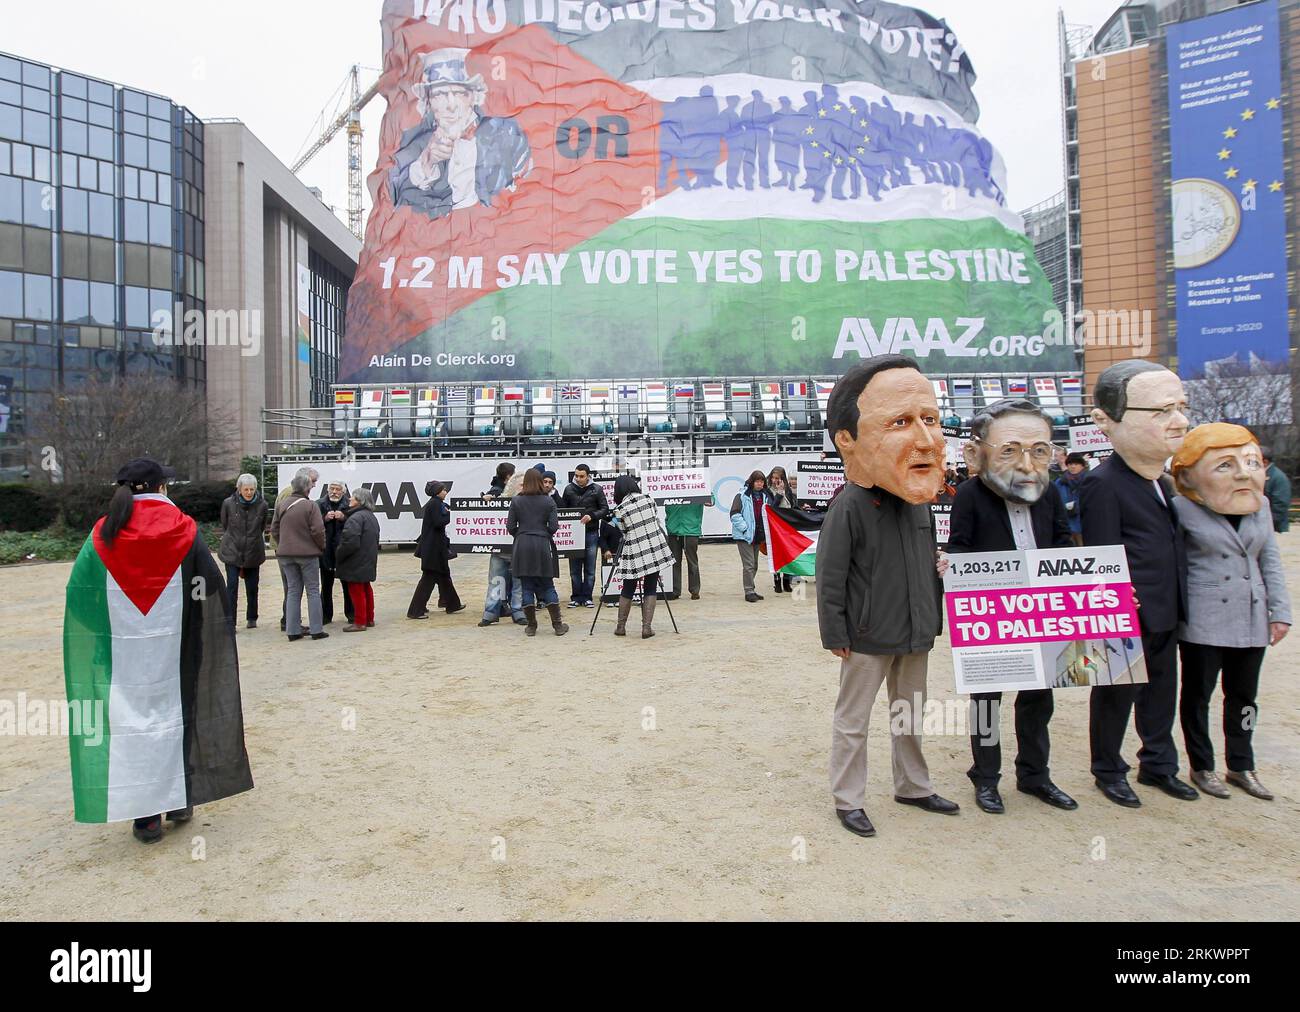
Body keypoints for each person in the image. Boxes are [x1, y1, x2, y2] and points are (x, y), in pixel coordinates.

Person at [63, 457, 253, 844]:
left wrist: (109, 632)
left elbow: (80, 596)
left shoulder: (103, 533)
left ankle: (145, 816)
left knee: (132, 725)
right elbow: (210, 585)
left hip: (122, 656)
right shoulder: (183, 529)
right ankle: (179, 798)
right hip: (180, 648)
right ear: (161, 488)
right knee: (177, 718)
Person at [817, 356, 958, 839]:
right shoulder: (849, 505)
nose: (925, 439)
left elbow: (926, 564)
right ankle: (848, 799)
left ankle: (913, 787)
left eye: (931, 420)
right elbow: (830, 576)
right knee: (853, 721)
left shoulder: (918, 499)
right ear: (847, 440)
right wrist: (835, 631)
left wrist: (935, 607)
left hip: (916, 631)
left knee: (910, 715)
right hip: (867, 635)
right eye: (900, 422)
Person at [947, 400, 1077, 815]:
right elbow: (960, 546)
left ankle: (1035, 776)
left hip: (1042, 612)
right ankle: (985, 779)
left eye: (1039, 450)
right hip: (993, 615)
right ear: (978, 451)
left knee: (1039, 700)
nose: (1026, 462)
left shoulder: (1050, 492)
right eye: (1010, 450)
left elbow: (1060, 541)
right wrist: (949, 564)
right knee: (987, 701)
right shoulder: (968, 495)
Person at [1081, 361, 1196, 807]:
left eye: (1181, 408)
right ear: (1108, 421)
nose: (1179, 420)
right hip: (1125, 614)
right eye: (1162, 410)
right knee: (1114, 695)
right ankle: (1108, 769)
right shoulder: (1101, 484)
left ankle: (1159, 765)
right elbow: (1101, 554)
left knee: (1162, 691)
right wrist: (1112, 605)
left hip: (1167, 609)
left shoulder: (1164, 484)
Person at [1171, 424, 1291, 800]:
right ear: (1190, 473)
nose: (1242, 473)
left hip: (1250, 615)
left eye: (1251, 462)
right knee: (1198, 695)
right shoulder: (1181, 507)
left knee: (1244, 698)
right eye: (1225, 465)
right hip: (1204, 617)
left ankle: (1242, 763)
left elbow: (1270, 560)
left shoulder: (1261, 506)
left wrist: (1280, 612)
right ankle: (1201, 764)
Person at [507, 468, 570, 637]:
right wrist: (543, 534)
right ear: (541, 482)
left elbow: (510, 527)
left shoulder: (517, 501)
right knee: (547, 584)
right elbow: (554, 526)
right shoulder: (548, 501)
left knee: (526, 586)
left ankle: (531, 626)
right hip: (542, 543)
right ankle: (557, 625)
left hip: (522, 543)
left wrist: (522, 535)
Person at [611, 475, 674, 638]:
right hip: (654, 547)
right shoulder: (648, 498)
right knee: (651, 587)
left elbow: (623, 531)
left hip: (633, 550)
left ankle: (621, 626)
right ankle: (646, 628)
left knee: (628, 588)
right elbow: (654, 518)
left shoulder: (619, 509)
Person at [271, 471, 328, 642]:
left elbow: (274, 529)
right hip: (307, 554)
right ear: (307, 488)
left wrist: (284, 543)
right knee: (312, 590)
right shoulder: (311, 506)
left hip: (285, 554)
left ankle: (292, 630)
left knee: (293, 591)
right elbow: (318, 530)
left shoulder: (282, 504)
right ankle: (316, 629)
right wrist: (320, 546)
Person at [408, 481, 464, 619]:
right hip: (433, 549)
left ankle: (452, 604)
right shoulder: (434, 504)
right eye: (443, 490)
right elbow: (439, 522)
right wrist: (452, 515)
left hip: (437, 547)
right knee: (428, 580)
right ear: (437, 491)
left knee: (444, 576)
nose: (446, 492)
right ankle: (415, 611)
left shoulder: (437, 503)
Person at [218, 473, 268, 630]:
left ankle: (252, 617)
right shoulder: (228, 503)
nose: (249, 493)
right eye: (246, 489)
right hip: (232, 550)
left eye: (252, 489)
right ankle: (230, 622)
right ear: (239, 489)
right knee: (231, 587)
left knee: (252, 587)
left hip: (253, 550)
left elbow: (262, 526)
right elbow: (225, 524)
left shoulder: (262, 505)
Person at [480, 472, 528, 627]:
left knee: (519, 584)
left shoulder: (532, 502)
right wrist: (485, 501)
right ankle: (491, 613)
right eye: (521, 484)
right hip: (500, 551)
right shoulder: (499, 501)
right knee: (496, 581)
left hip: (520, 550)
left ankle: (518, 612)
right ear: (512, 485)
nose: (523, 488)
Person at [562, 464, 609, 608]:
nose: (578, 478)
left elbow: (605, 509)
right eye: (576, 476)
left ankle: (587, 596)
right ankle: (576, 597)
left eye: (581, 476)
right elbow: (563, 510)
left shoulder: (597, 489)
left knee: (590, 568)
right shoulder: (568, 489)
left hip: (591, 532)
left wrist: (592, 516)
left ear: (588, 476)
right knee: (574, 569)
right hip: (574, 535)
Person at [336, 487, 382, 633]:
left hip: (355, 559)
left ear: (360, 501)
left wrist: (339, 553)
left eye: (353, 497)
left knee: (356, 590)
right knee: (366, 588)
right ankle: (369, 618)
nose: (350, 499)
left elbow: (350, 542)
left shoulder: (355, 518)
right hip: (367, 558)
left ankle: (360, 621)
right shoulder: (370, 516)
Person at [730, 471, 773, 602]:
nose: (760, 484)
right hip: (744, 536)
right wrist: (745, 529)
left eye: (762, 481)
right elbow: (734, 514)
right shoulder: (741, 496)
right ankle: (748, 591)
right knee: (749, 565)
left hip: (757, 535)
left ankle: (751, 589)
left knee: (754, 564)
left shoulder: (766, 496)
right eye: (757, 481)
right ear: (752, 482)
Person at [318, 481, 354, 626]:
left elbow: (354, 524)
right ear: (327, 490)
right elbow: (313, 524)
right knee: (326, 585)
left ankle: (351, 614)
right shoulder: (319, 504)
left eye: (337, 489)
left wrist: (344, 517)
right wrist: (324, 518)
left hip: (343, 551)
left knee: (347, 584)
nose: (334, 492)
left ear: (343, 492)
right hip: (325, 551)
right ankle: (325, 616)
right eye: (332, 489)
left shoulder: (350, 505)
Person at [665, 499, 707, 601]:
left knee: (692, 561)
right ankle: (675, 590)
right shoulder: (671, 486)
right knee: (674, 562)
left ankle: (695, 590)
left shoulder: (698, 484)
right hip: (674, 529)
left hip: (691, 529)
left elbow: (710, 500)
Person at [767, 466, 800, 594]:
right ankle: (777, 582)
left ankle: (786, 580)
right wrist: (779, 495)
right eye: (773, 478)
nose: (775, 480)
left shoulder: (788, 490)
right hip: (775, 526)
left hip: (787, 525)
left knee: (788, 554)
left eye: (778, 478)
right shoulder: (768, 490)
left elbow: (792, 505)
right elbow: (772, 508)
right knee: (777, 554)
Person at [1053, 452, 1088, 544]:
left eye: (1076, 464)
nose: (1073, 466)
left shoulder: (1089, 480)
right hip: (1067, 524)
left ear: (1082, 466)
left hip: (1085, 522)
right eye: (1070, 464)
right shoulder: (1059, 482)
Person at [1261, 446, 1291, 533]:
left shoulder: (1278, 477)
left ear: (1265, 462)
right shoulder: (1263, 474)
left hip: (1274, 528)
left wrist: (1267, 525)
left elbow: (1280, 505)